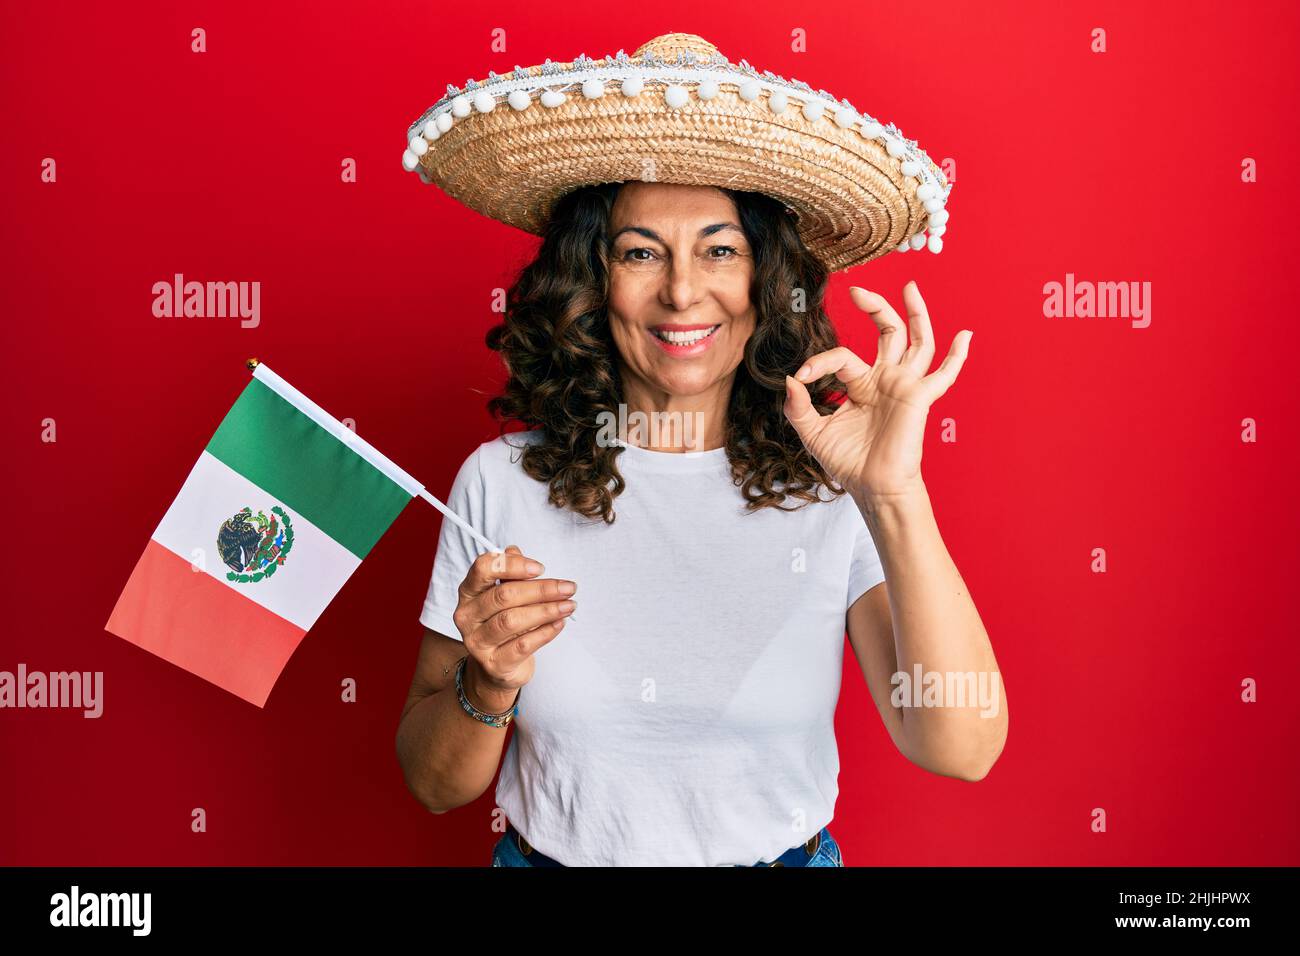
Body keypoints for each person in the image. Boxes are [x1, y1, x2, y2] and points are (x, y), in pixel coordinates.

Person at [394, 32, 1007, 867]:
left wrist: (893, 494)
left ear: (765, 279)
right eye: (641, 252)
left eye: (720, 249)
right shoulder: (500, 481)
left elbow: (960, 747)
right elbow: (434, 784)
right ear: (592, 279)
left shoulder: (835, 484)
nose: (682, 291)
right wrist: (487, 686)